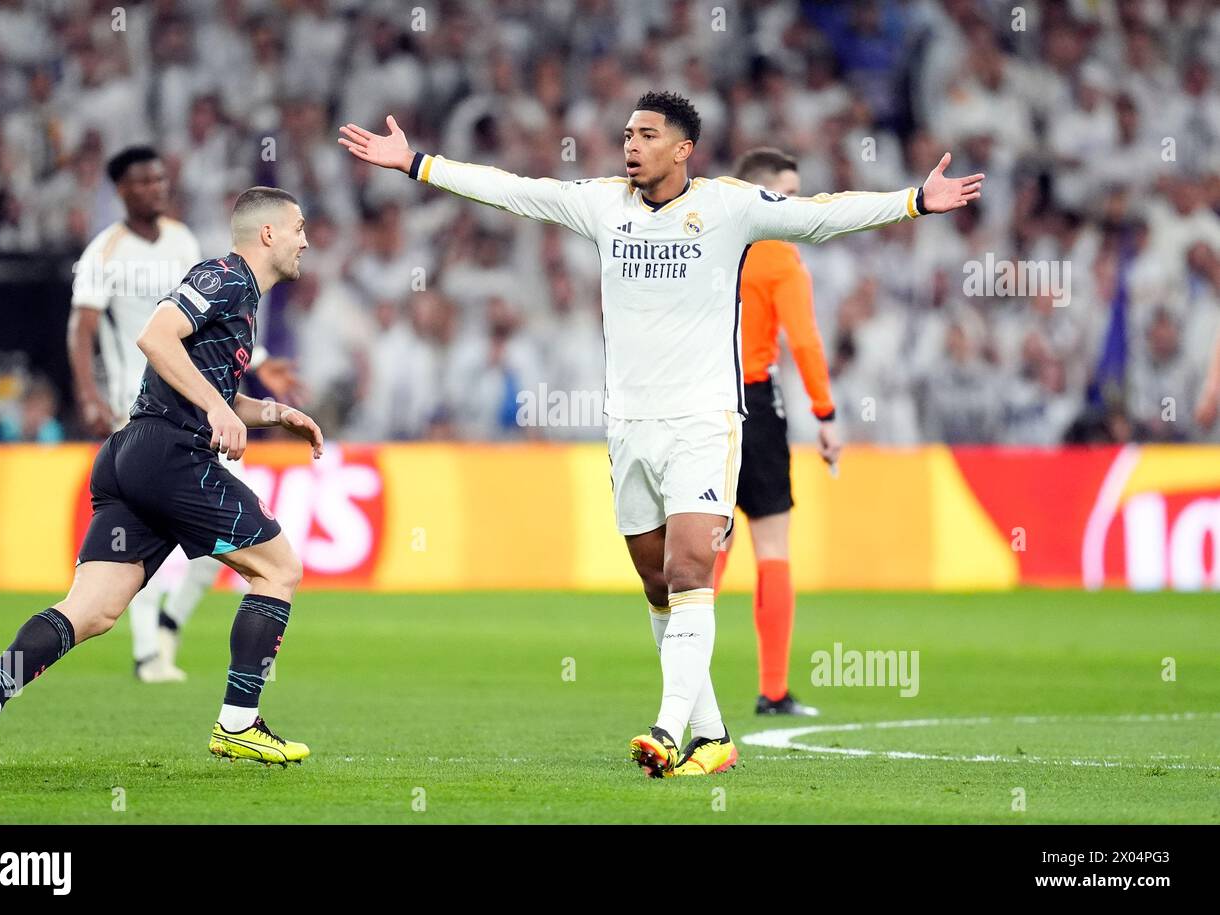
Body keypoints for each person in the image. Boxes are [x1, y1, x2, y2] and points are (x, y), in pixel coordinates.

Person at [338, 91, 982, 777]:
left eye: (647, 134)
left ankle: (666, 728)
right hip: (629, 426)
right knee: (655, 584)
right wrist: (416, 163)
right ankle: (713, 736)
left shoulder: (729, 206)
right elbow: (513, 191)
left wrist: (913, 199)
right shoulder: (602, 204)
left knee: (688, 568)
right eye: (626, 133)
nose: (630, 144)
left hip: (705, 420)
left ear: (683, 149)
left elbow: (820, 217)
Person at [0, 187, 324, 776]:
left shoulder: (243, 302)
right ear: (267, 234)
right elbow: (155, 336)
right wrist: (218, 412)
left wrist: (274, 414)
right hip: (171, 454)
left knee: (92, 610)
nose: (306, 239)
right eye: (299, 227)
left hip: (133, 457)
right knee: (279, 570)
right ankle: (238, 726)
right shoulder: (225, 277)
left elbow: (211, 389)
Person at [69, 145, 305, 682]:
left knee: (215, 547)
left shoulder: (183, 243)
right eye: (143, 181)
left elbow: (214, 319)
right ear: (122, 190)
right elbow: (86, 329)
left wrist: (262, 370)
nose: (156, 188)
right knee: (157, 548)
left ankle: (170, 632)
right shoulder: (102, 252)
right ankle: (153, 653)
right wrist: (87, 393)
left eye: (160, 179)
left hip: (208, 414)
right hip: (143, 412)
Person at [711, 148, 840, 717]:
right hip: (756, 405)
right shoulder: (780, 258)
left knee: (707, 545)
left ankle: (682, 684)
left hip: (702, 405)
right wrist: (827, 415)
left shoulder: (705, 242)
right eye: (787, 194)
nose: (799, 204)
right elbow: (805, 340)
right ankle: (773, 689)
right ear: (763, 194)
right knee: (771, 547)